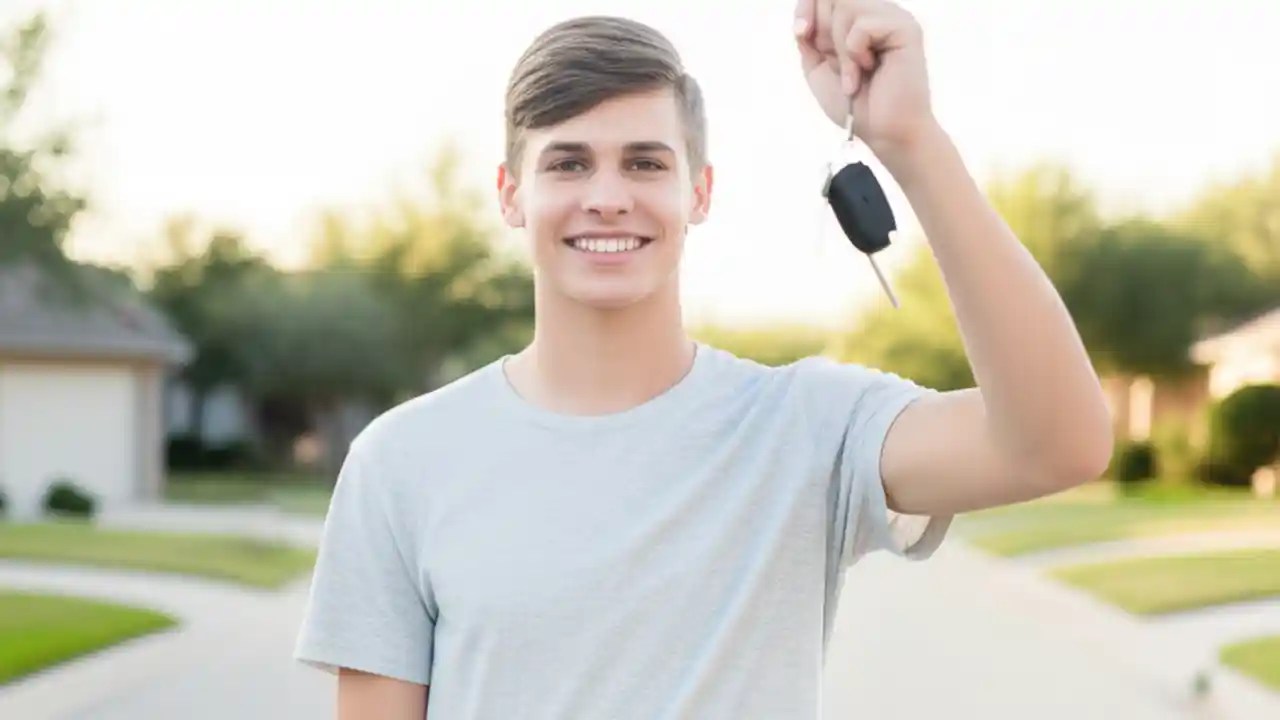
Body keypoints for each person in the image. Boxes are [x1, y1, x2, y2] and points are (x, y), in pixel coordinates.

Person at [293, 1, 1115, 717]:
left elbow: (1058, 443)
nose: (607, 194)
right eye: (568, 161)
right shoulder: (400, 463)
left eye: (645, 162)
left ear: (700, 192)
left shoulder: (805, 428)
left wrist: (909, 140)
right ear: (511, 195)